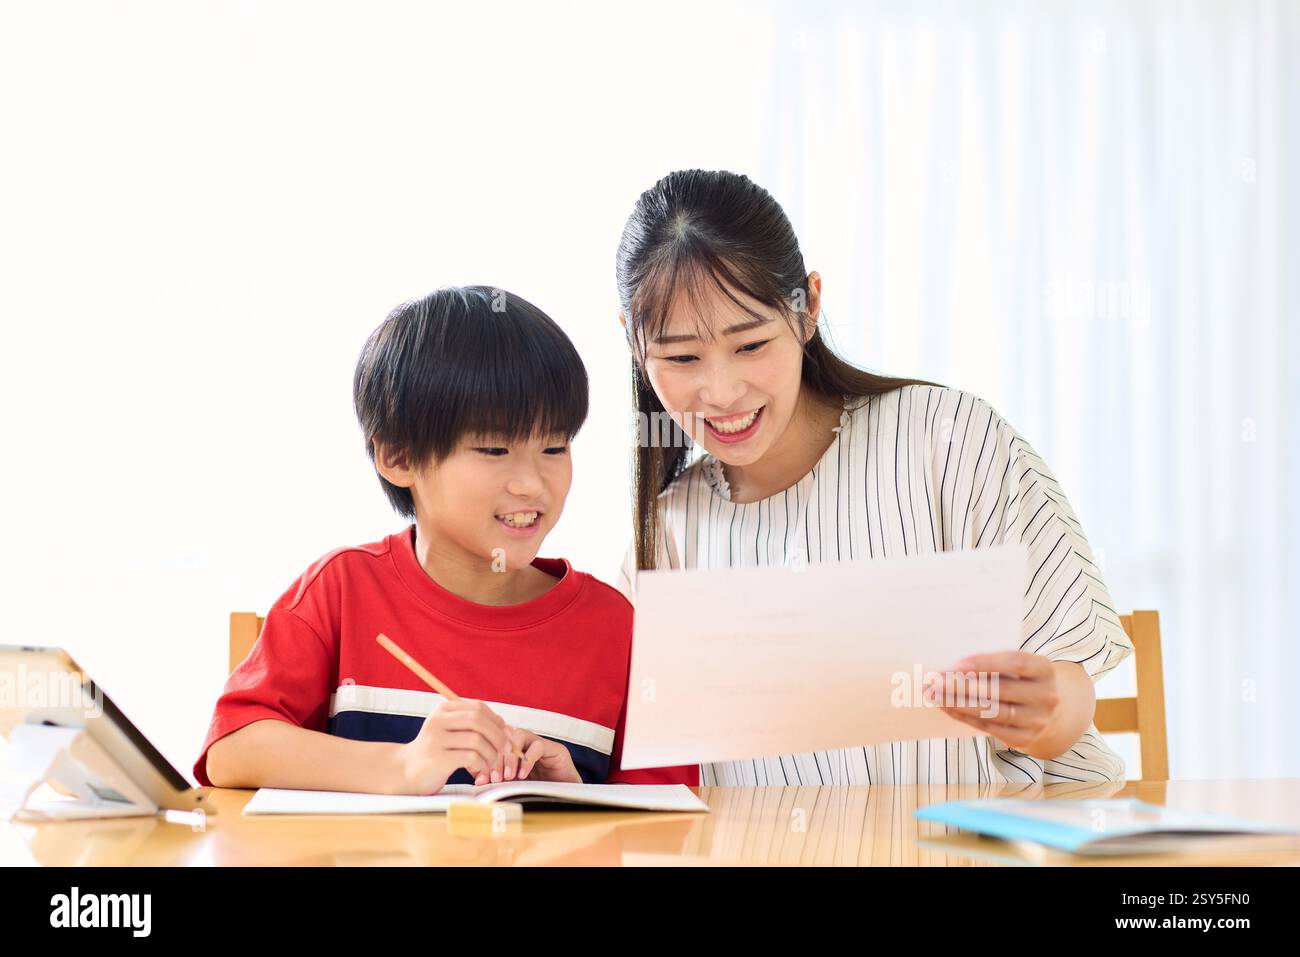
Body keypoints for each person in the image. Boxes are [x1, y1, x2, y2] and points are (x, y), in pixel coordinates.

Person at [614, 169, 1134, 785]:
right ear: (634, 344)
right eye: (680, 358)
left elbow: (1070, 685)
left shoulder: (950, 438)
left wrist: (1055, 708)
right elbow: (647, 774)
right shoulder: (668, 530)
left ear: (807, 310)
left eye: (750, 345)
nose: (721, 391)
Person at [196, 285, 696, 792]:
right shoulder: (342, 591)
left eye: (553, 446)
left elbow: (672, 815)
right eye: (494, 449)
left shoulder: (618, 630)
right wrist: (402, 767)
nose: (531, 483)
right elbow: (232, 749)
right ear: (398, 457)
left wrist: (575, 794)